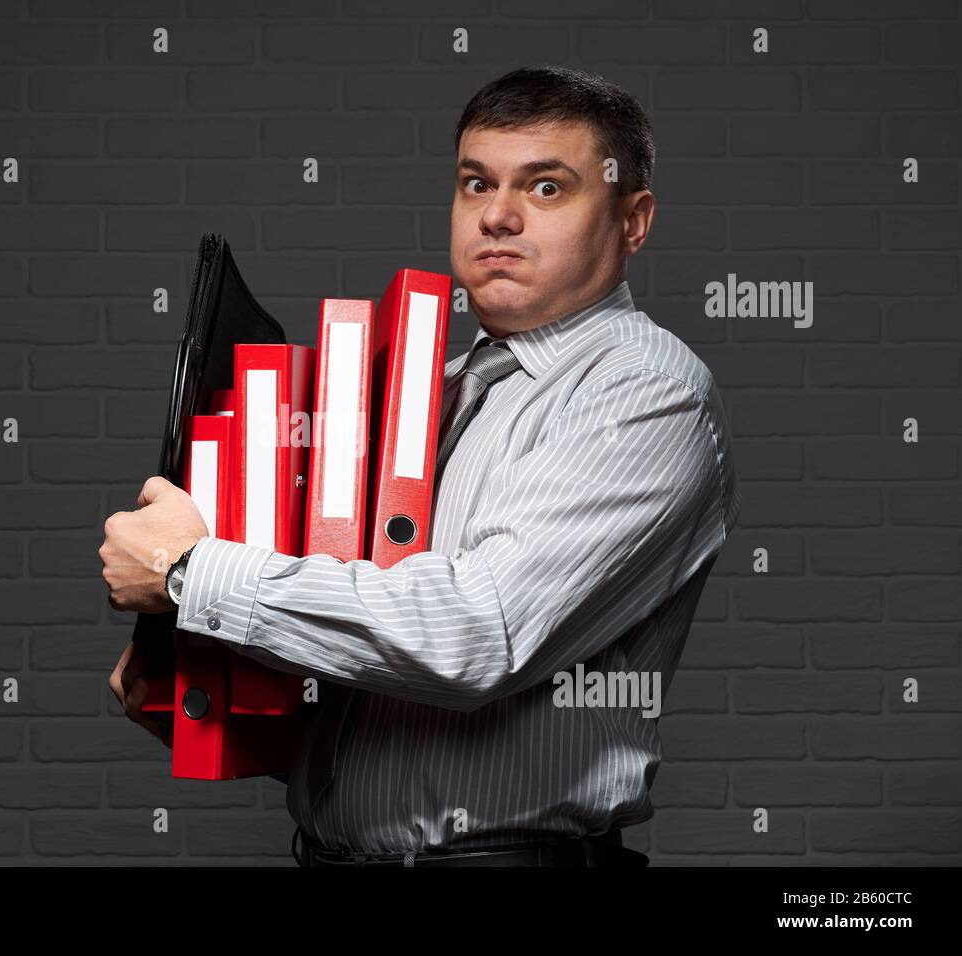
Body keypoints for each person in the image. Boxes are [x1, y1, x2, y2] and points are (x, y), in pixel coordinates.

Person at [100, 65, 741, 867]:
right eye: (477, 184)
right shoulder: (423, 393)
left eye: (546, 189)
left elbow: (478, 633)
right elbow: (373, 654)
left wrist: (192, 573)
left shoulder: (645, 392)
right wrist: (190, 669)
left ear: (633, 219)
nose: (499, 216)